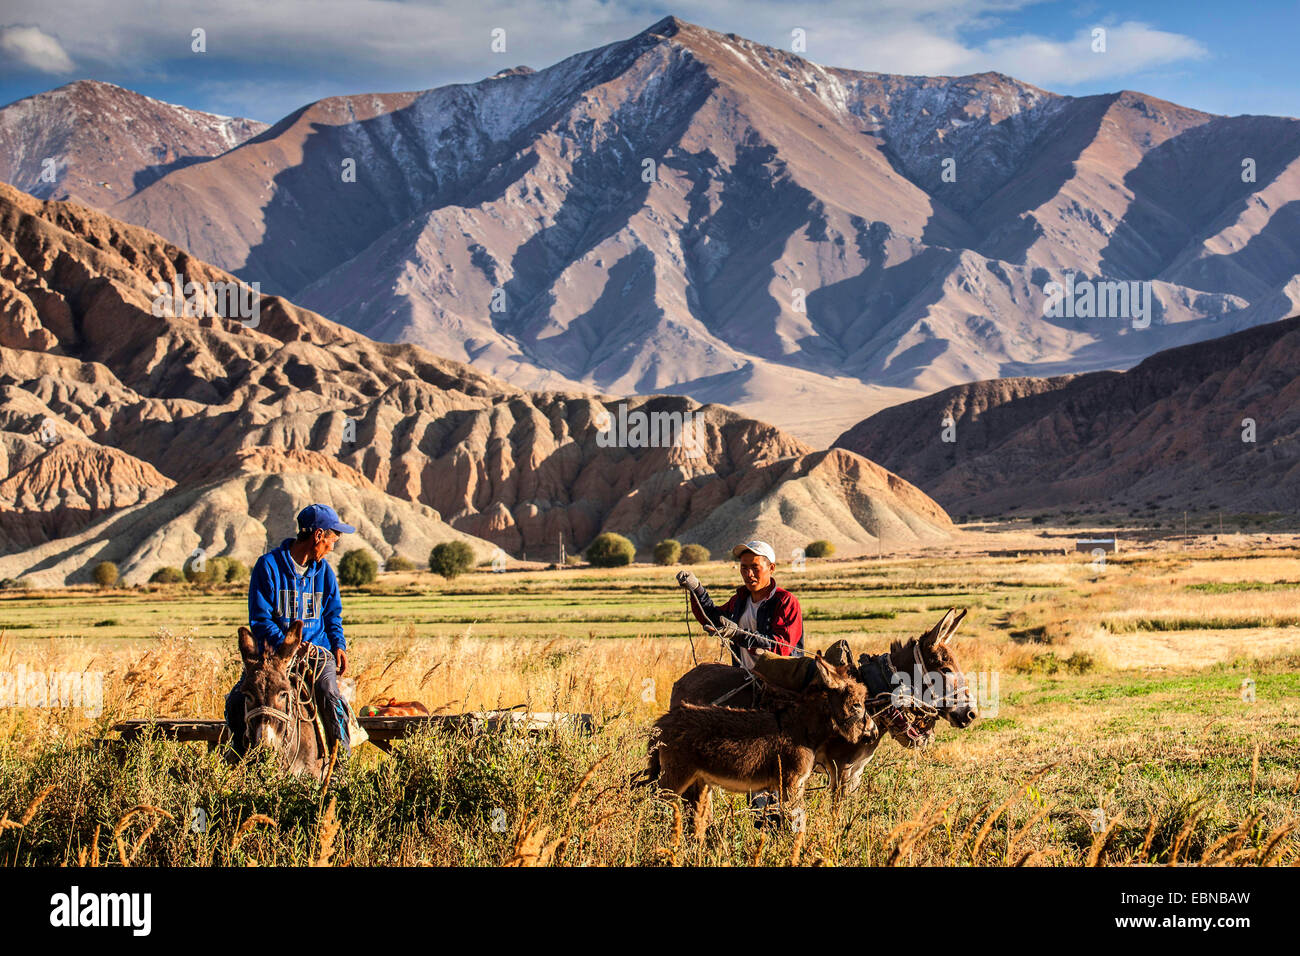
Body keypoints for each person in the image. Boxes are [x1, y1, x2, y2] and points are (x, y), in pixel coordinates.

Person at [224, 504, 354, 757]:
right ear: (318, 536)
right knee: (237, 701)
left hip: (316, 652)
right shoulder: (268, 567)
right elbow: (260, 621)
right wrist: (288, 647)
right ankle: (238, 758)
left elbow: (332, 615)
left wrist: (338, 645)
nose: (331, 548)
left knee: (330, 696)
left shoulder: (324, 572)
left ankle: (342, 762)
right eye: (331, 541)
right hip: (273, 657)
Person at [676, 539, 804, 668]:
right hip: (744, 676)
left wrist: (737, 634)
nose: (749, 574)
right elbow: (712, 618)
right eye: (744, 567)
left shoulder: (785, 601)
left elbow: (782, 647)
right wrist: (697, 589)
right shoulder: (739, 600)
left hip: (780, 681)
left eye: (755, 567)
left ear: (771, 568)